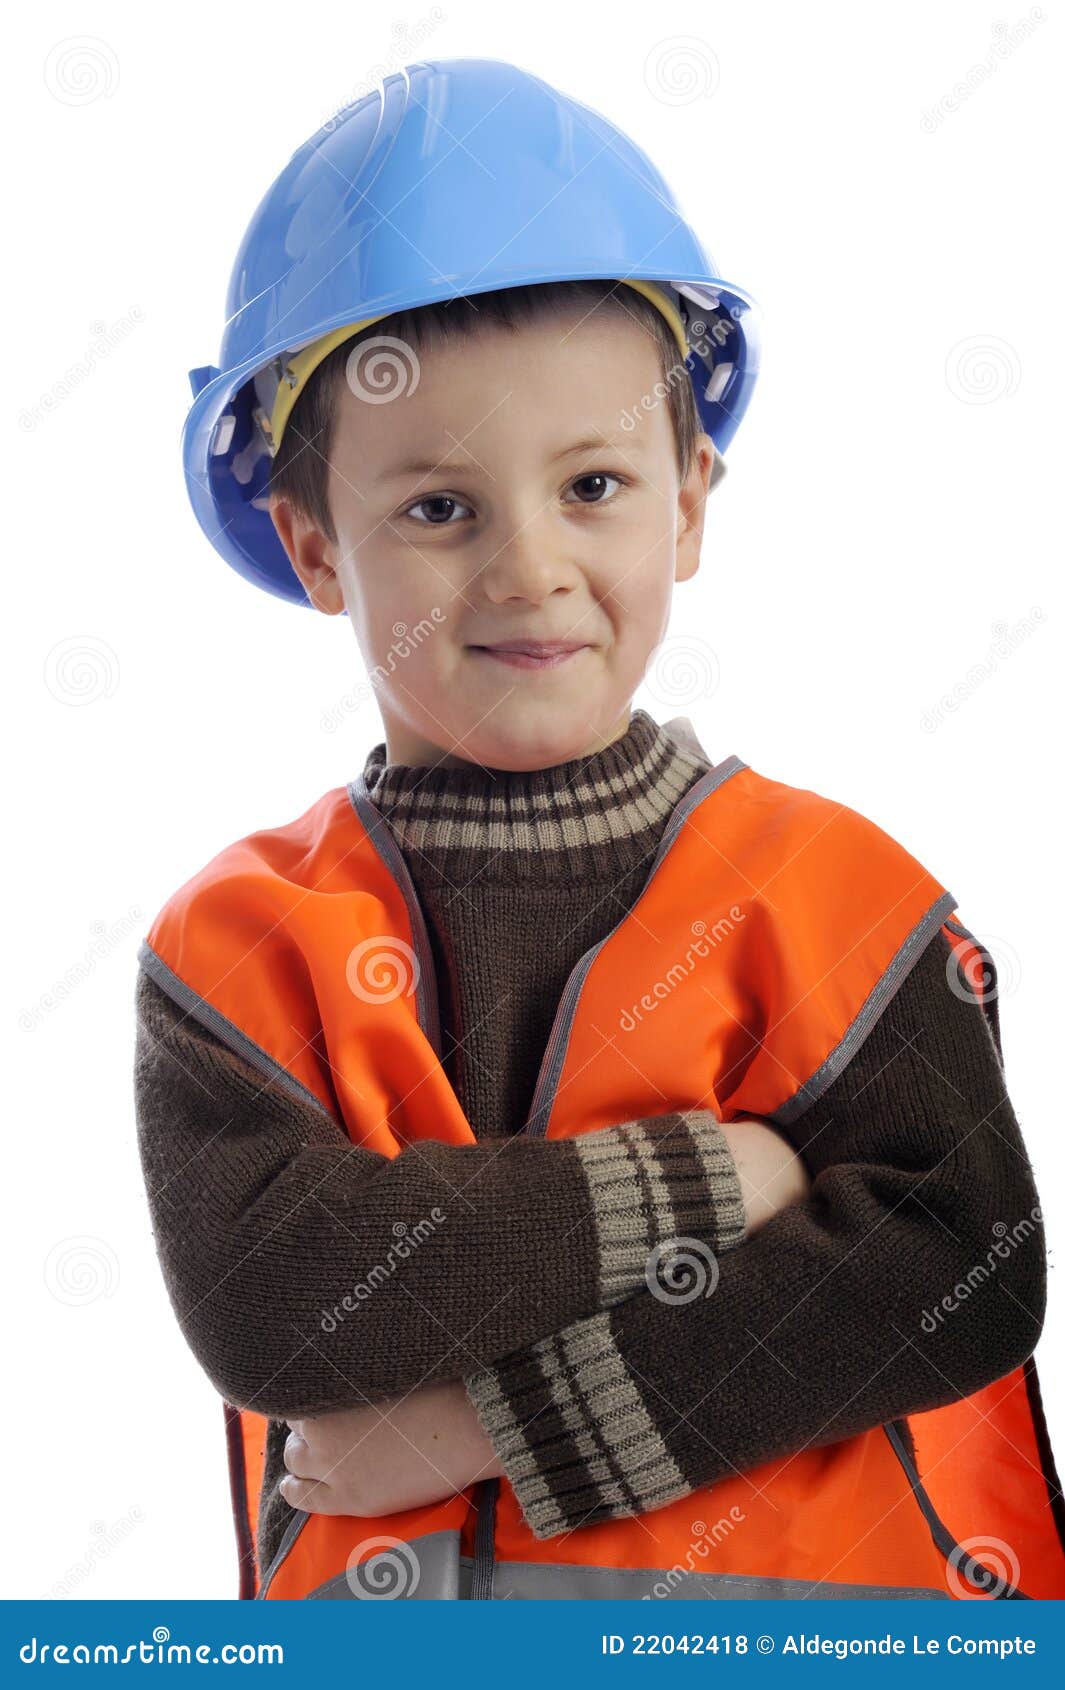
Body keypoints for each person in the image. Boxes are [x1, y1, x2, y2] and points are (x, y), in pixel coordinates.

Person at [133, 58, 1064, 1601]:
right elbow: (274, 1302)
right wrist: (718, 1179)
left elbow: (953, 1269)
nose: (526, 568)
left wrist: (484, 1424)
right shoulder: (230, 955)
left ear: (688, 504)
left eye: (593, 483)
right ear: (313, 547)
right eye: (438, 508)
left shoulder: (839, 898)